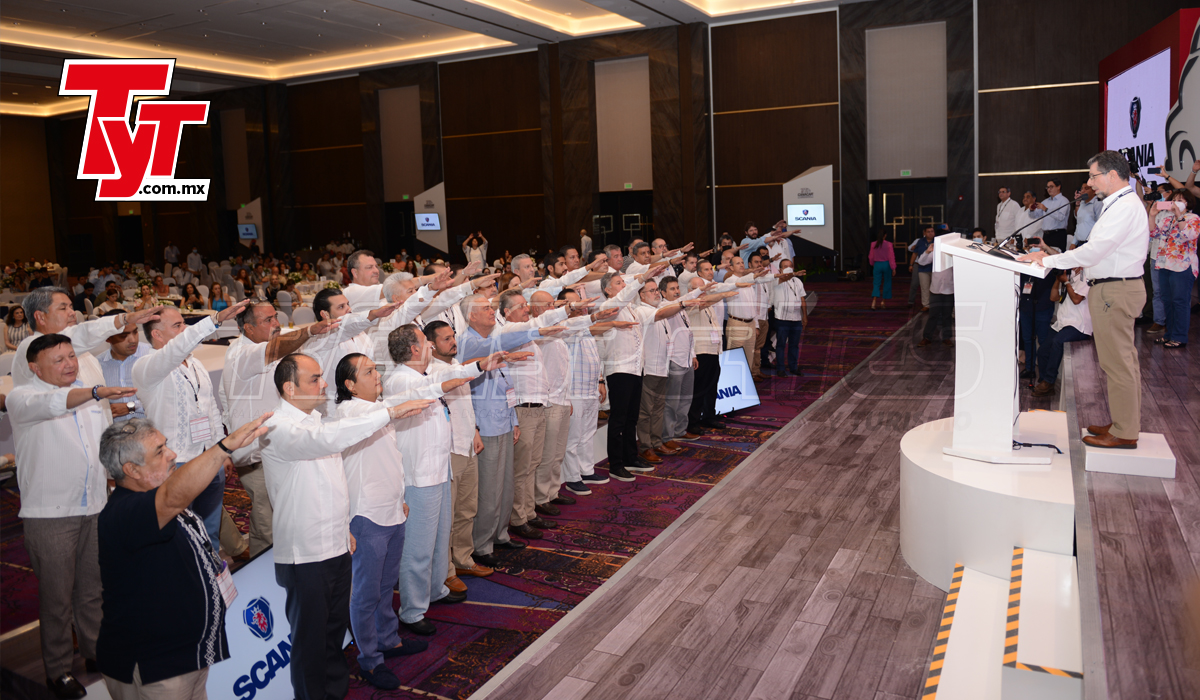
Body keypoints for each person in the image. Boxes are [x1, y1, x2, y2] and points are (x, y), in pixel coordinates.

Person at [261, 353, 428, 700]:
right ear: (290, 388)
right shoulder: (279, 426)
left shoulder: (315, 421)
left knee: (333, 634)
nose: (324, 384)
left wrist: (343, 528)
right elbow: (328, 440)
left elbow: (332, 485)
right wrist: (391, 412)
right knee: (311, 642)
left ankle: (335, 692)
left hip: (335, 542)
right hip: (305, 553)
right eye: (314, 379)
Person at [95, 413, 268, 700]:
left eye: (166, 445)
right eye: (159, 451)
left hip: (187, 655)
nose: (172, 454)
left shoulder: (152, 498)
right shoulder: (124, 513)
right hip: (157, 665)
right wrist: (224, 447)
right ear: (132, 470)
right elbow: (172, 497)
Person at [8, 334, 137, 699]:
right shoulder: (23, 398)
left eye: (71, 356)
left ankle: (96, 652)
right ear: (35, 368)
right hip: (51, 513)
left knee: (92, 590)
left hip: (94, 504)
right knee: (57, 598)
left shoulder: (87, 394)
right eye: (59, 359)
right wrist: (96, 392)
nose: (69, 364)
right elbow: (55, 404)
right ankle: (58, 670)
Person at [1019, 150, 1150, 449]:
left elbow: (1094, 250)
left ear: (1112, 175)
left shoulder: (1124, 207)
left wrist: (1047, 260)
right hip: (1112, 288)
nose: (1089, 182)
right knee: (1120, 362)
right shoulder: (1119, 204)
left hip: (1115, 290)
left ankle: (1125, 430)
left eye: (1093, 176)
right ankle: (1123, 423)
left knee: (1118, 364)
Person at [385, 326, 489, 636]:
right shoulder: (401, 379)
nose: (430, 346)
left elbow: (444, 378)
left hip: (439, 469)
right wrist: (479, 367)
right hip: (419, 476)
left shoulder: (422, 374)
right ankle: (412, 610)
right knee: (418, 547)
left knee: (440, 538)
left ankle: (435, 590)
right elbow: (436, 386)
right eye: (425, 341)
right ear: (414, 349)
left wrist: (477, 366)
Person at [334, 354, 430, 690]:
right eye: (369, 372)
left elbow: (389, 459)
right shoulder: (350, 413)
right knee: (365, 593)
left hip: (391, 511)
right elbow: (378, 417)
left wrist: (399, 496)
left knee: (386, 585)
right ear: (350, 384)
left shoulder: (376, 409)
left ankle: (388, 640)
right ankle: (370, 660)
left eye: (376, 369)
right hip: (367, 516)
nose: (378, 375)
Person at [219, 302, 339, 557]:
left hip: (280, 448)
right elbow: (274, 349)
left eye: (276, 317)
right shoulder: (241, 353)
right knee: (268, 528)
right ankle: (266, 576)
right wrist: (310, 330)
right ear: (249, 328)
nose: (276, 324)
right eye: (268, 320)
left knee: (289, 517)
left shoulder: (270, 346)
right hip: (256, 456)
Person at [133, 301, 251, 551]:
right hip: (176, 462)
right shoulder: (146, 367)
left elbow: (210, 408)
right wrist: (213, 320)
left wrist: (221, 450)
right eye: (177, 325)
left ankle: (213, 571)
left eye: (184, 324)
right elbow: (172, 353)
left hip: (209, 455)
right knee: (179, 533)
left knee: (210, 530)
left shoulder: (195, 363)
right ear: (157, 334)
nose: (185, 329)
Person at [454, 294, 559, 565]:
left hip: (503, 421)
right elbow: (496, 347)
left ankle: (500, 534)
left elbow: (506, 386)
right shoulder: (468, 342)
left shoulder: (490, 340)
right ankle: (482, 545)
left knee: (504, 486)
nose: (492, 311)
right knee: (488, 490)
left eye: (492, 307)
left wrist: (514, 421)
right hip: (486, 426)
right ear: (471, 316)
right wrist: (539, 331)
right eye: (485, 308)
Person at [425, 322, 496, 584]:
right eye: (446, 339)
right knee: (448, 515)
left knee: (467, 510)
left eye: (453, 336)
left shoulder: (455, 365)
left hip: (467, 445)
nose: (453, 342)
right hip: (449, 451)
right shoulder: (432, 371)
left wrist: (475, 430)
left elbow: (465, 404)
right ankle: (445, 572)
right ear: (431, 345)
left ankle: (463, 559)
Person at [1148, 188, 1199, 348]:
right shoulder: (1167, 219)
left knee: (1180, 301)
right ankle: (1168, 334)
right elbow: (1153, 233)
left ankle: (1179, 337)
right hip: (1164, 264)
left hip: (1183, 266)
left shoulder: (1193, 218)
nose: (1176, 203)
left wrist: (1178, 215)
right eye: (1174, 200)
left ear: (1188, 203)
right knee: (1167, 300)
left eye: (1180, 200)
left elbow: (1189, 235)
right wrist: (1152, 215)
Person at [1033, 268, 1092, 396]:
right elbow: (1053, 297)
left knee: (1057, 341)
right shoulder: (1069, 276)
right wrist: (1058, 279)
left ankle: (1049, 381)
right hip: (1062, 323)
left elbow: (1076, 299)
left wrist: (1066, 282)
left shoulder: (1085, 277)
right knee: (1042, 351)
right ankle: (1045, 383)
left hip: (1078, 325)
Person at [98, 324, 150, 423]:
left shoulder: (151, 355)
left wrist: (132, 407)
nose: (133, 340)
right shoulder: (97, 364)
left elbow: (166, 396)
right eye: (123, 336)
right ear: (108, 338)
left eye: (135, 332)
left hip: (151, 427)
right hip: (114, 430)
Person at [916, 241, 955, 347]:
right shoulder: (935, 253)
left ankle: (947, 338)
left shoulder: (953, 255)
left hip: (949, 289)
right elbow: (921, 262)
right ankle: (927, 337)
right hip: (935, 289)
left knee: (947, 315)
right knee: (933, 315)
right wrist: (927, 251)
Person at [772, 260, 807, 374]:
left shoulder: (797, 281)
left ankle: (793, 367)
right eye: (785, 266)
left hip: (796, 318)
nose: (789, 268)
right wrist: (794, 274)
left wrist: (804, 316)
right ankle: (780, 369)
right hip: (782, 319)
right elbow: (784, 278)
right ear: (780, 270)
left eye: (790, 266)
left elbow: (802, 298)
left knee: (794, 345)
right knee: (781, 345)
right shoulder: (776, 280)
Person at [1032, 178, 1071, 251]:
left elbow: (1061, 217)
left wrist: (1046, 209)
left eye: (1051, 187)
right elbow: (1035, 216)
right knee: (1044, 255)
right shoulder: (1045, 202)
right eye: (1047, 187)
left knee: (1056, 256)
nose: (1049, 189)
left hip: (1058, 235)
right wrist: (1031, 210)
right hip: (1046, 235)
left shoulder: (1064, 201)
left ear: (1058, 187)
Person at [908, 225, 935, 311]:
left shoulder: (938, 241)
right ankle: (926, 305)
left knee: (934, 288)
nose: (930, 233)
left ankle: (934, 304)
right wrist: (911, 264)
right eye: (928, 232)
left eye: (932, 231)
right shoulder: (920, 241)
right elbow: (914, 254)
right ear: (924, 233)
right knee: (924, 287)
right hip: (922, 269)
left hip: (935, 269)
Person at [869, 230, 895, 310]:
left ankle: (874, 302)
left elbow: (871, 256)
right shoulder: (889, 244)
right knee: (887, 282)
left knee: (876, 283)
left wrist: (872, 263)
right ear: (885, 235)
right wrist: (893, 267)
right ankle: (883, 301)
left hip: (877, 264)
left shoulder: (873, 244)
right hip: (886, 264)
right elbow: (891, 257)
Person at [1074, 183, 1100, 247]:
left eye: (1086, 188)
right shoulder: (1082, 203)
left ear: (1094, 191)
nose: (1083, 191)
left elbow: (1100, 224)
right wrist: (1074, 242)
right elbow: (1079, 223)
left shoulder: (1097, 203)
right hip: (1080, 243)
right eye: (1082, 189)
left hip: (1091, 243)